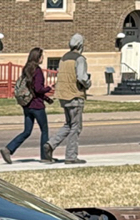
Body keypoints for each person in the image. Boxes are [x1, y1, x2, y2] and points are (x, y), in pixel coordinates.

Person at [0, 48, 53, 164]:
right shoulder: (37, 71)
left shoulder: (27, 69)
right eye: (41, 56)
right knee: (44, 130)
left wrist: (47, 99)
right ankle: (45, 157)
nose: (42, 58)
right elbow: (38, 89)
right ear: (37, 57)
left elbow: (31, 89)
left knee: (27, 131)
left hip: (27, 105)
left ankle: (8, 149)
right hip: (37, 106)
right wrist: (49, 88)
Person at [45, 34, 91, 164]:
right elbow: (82, 77)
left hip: (62, 95)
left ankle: (50, 144)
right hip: (74, 95)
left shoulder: (63, 58)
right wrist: (88, 83)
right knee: (76, 127)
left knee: (69, 124)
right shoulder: (80, 59)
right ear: (81, 45)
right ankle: (71, 156)